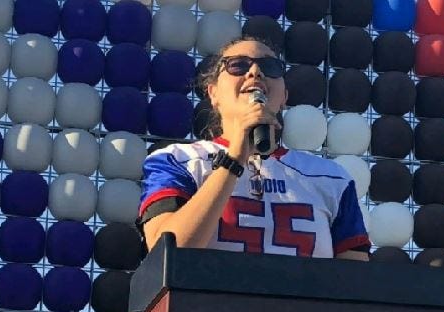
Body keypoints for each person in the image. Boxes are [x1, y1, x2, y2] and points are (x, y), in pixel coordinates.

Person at [138, 36, 370, 260]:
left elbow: (353, 283)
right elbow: (167, 253)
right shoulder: (176, 160)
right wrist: (234, 158)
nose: (255, 72)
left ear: (284, 98)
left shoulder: (332, 178)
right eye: (237, 65)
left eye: (270, 67)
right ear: (213, 93)